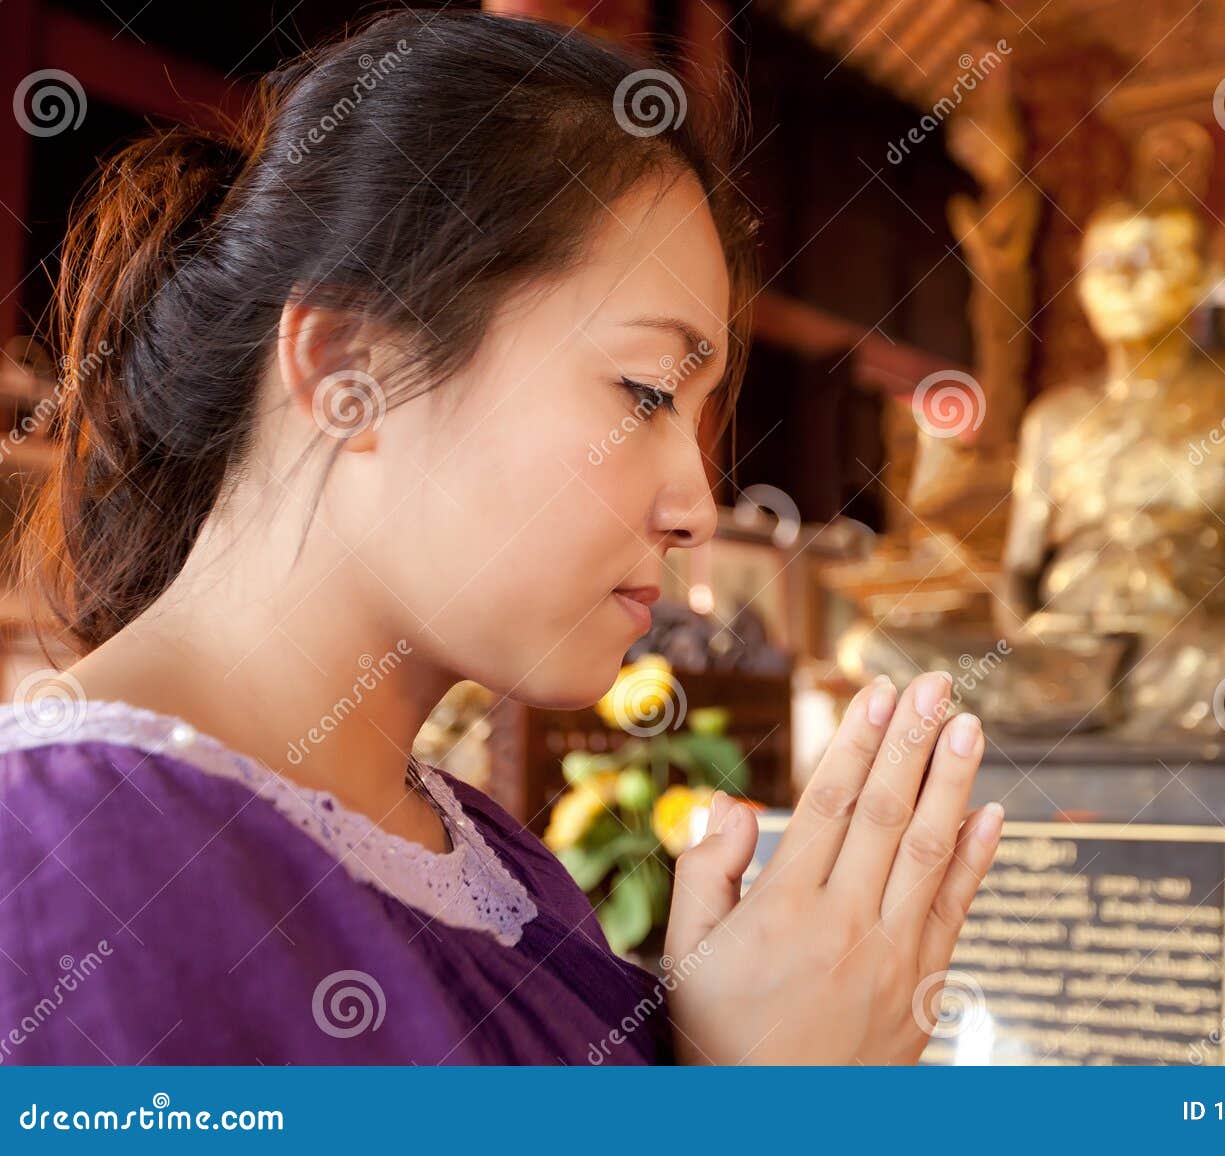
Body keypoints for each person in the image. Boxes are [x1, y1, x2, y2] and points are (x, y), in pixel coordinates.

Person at [0, 9, 1002, 1065]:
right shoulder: (58, 868)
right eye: (646, 391)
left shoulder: (500, 872)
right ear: (352, 370)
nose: (697, 507)